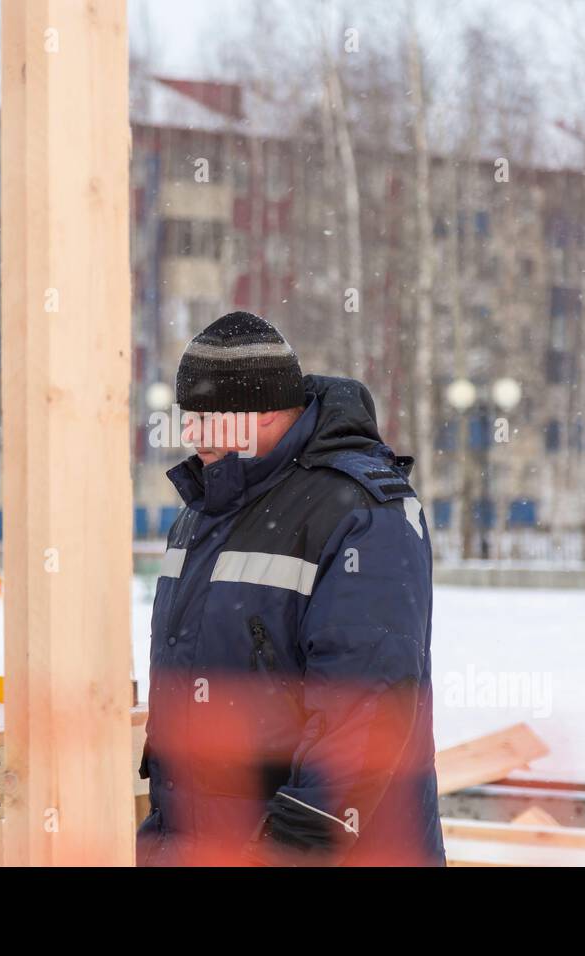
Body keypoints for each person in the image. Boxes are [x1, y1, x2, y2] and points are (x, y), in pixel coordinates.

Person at [137, 310, 444, 866]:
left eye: (208, 418)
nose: (189, 434)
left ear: (269, 412)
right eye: (188, 417)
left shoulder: (362, 510)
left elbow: (365, 709)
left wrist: (287, 850)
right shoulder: (205, 509)